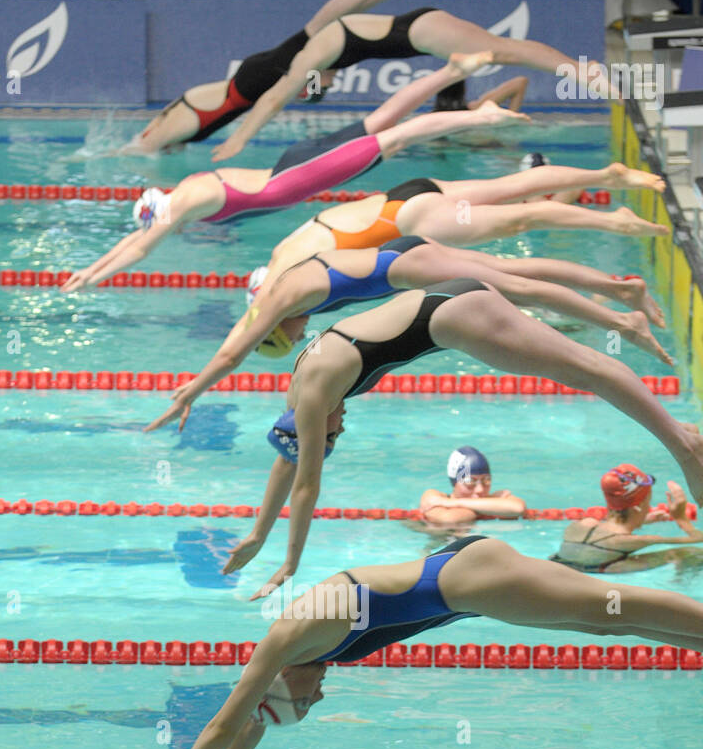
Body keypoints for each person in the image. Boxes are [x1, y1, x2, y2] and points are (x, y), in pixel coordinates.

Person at [103, 536, 703, 749]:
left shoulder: (289, 637)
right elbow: (253, 727)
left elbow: (228, 720)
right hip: (467, 584)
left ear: (280, 683)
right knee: (599, 623)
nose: (320, 697)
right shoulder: (309, 661)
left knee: (613, 609)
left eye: (305, 702)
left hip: (470, 578)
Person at [152, 283, 703, 597]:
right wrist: (255, 535)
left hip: (454, 316)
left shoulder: (315, 392)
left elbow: (306, 486)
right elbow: (288, 465)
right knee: (573, 359)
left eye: (332, 433)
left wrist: (291, 561)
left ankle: (681, 440)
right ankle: (666, 411)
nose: (341, 429)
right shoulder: (304, 396)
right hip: (448, 306)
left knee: (585, 370)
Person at [146, 228, 671, 421]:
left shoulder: (280, 296)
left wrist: (191, 390)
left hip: (404, 265)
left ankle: (620, 319)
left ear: (274, 328)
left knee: (520, 287)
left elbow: (233, 352)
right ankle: (620, 291)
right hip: (402, 258)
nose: (305, 332)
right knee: (515, 274)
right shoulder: (285, 291)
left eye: (292, 335)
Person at [59, 82, 528, 296]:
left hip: (301, 177)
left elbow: (140, 250)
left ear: (162, 213)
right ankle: (470, 99)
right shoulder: (180, 192)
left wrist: (96, 277)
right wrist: (89, 268)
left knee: (396, 136)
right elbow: (135, 240)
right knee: (385, 126)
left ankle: (485, 114)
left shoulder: (185, 202)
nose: (168, 231)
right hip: (293, 168)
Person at [211, 0, 609, 161]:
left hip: (417, 33)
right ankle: (580, 71)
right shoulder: (322, 53)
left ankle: (582, 72)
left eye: (321, 87)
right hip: (417, 32)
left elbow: (276, 98)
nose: (331, 84)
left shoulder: (312, 57)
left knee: (507, 51)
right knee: (503, 50)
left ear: (314, 79)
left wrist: (239, 137)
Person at [120, 0, 417, 153]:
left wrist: (320, 79)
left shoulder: (319, 64)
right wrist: (321, 80)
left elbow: (311, 92)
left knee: (317, 29)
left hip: (245, 85)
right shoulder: (319, 67)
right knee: (321, 29)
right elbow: (311, 93)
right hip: (238, 88)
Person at [261, 169, 669, 287]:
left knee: (523, 216)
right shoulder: (284, 250)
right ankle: (609, 176)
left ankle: (615, 223)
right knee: (512, 187)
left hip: (417, 218)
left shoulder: (289, 277)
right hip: (405, 193)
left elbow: (254, 319)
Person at [551, 465, 703, 575]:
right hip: (602, 568)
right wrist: (681, 518)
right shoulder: (637, 540)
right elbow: (697, 539)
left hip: (557, 565)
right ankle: (680, 578)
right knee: (692, 552)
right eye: (647, 503)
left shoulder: (581, 524)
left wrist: (643, 521)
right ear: (638, 506)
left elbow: (605, 531)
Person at [418, 445, 527, 527]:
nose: (480, 489)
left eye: (486, 480)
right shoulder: (433, 496)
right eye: (470, 481)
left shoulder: (446, 502)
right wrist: (490, 505)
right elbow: (449, 519)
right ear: (454, 482)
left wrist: (454, 503)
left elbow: (518, 508)